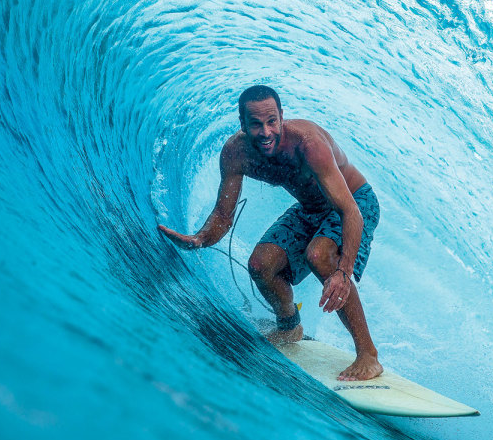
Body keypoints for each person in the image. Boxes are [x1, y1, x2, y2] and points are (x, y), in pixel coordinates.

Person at [158, 85, 383, 381]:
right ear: (242, 124)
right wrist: (200, 239)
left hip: (355, 202)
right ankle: (289, 326)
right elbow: (223, 216)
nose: (266, 132)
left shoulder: (309, 144)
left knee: (320, 255)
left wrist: (343, 271)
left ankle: (368, 355)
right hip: (311, 208)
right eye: (256, 124)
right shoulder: (236, 153)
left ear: (281, 117)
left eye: (272, 121)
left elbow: (350, 212)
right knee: (260, 265)